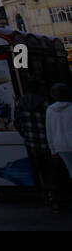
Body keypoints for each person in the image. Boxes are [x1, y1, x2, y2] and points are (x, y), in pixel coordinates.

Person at [45, 83, 72, 212]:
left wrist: (53, 149)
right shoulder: (71, 108)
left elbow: (49, 130)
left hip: (60, 145)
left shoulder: (50, 110)